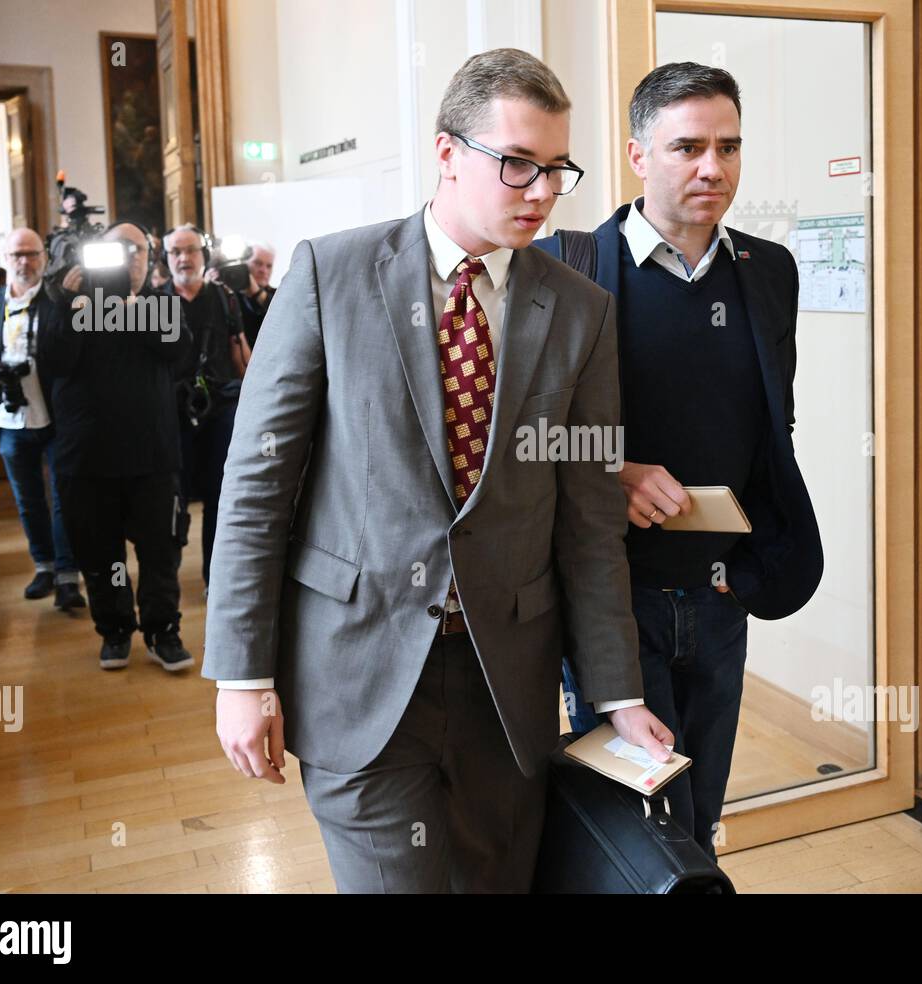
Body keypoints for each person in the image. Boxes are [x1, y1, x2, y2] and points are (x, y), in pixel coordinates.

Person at [205, 47, 673, 893]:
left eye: (556, 169)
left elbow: (588, 519)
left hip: (508, 681)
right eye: (517, 164)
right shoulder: (329, 275)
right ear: (448, 152)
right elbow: (255, 491)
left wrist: (616, 692)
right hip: (358, 676)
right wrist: (243, 675)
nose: (539, 190)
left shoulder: (579, 312)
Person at [534, 62, 824, 858]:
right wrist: (614, 469)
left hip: (722, 596)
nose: (712, 168)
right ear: (637, 155)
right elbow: (524, 443)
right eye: (687, 146)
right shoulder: (568, 269)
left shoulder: (769, 271)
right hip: (612, 604)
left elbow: (774, 425)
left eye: (728, 147)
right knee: (639, 833)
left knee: (698, 822)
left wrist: (745, 570)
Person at [37, 223, 193, 671]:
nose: (128, 257)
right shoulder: (66, 304)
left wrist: (130, 306)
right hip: (87, 457)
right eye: (116, 250)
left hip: (152, 457)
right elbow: (52, 362)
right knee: (101, 553)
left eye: (136, 249)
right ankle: (115, 630)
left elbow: (179, 353)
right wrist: (73, 306)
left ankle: (164, 632)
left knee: (160, 552)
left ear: (150, 256)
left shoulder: (162, 302)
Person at [0, 228, 85, 609]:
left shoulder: (56, 299)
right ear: (5, 257)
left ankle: (68, 574)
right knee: (28, 499)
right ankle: (44, 566)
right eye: (17, 255)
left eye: (32, 254)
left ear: (44, 258)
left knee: (65, 497)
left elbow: (74, 351)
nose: (24, 262)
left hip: (55, 413)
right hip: (9, 415)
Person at [162, 224, 250, 589]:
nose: (184, 258)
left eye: (191, 250)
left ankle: (216, 578)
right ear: (166, 259)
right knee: (172, 495)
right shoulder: (155, 302)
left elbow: (239, 350)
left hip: (221, 406)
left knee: (221, 493)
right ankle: (168, 571)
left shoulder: (224, 297)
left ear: (204, 253)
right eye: (175, 252)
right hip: (171, 411)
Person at [238, 242, 275, 348]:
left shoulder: (279, 295)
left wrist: (256, 292)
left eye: (269, 266)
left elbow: (281, 316)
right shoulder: (229, 294)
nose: (263, 270)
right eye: (258, 263)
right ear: (244, 264)